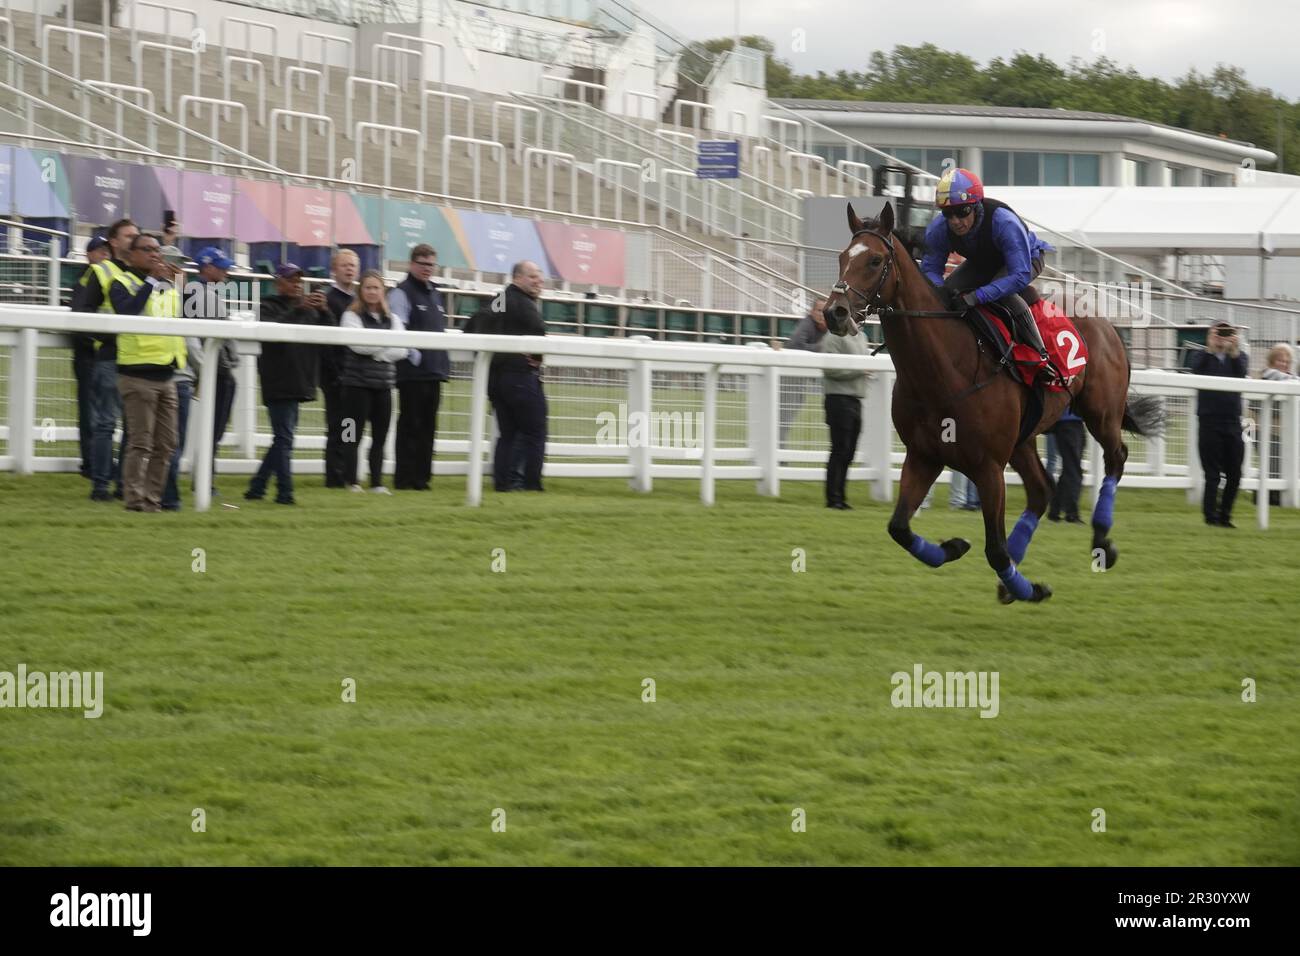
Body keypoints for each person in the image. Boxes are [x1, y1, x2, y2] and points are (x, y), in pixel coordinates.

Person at [921, 167, 1057, 375]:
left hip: (1025, 260)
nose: (955, 221)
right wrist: (939, 290)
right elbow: (930, 269)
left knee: (1004, 296)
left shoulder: (1004, 222)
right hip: (984, 261)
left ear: (975, 206)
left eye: (962, 212)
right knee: (948, 292)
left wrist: (978, 296)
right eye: (948, 213)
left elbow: (1018, 275)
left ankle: (1040, 353)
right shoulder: (939, 228)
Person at [109, 234, 186, 512]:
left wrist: (182, 288)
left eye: (157, 250)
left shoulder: (166, 285)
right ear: (131, 254)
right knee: (141, 443)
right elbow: (128, 311)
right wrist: (152, 281)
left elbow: (187, 318)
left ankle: (152, 501)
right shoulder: (121, 282)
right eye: (148, 250)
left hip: (167, 376)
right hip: (136, 374)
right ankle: (134, 500)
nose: (155, 254)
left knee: (167, 444)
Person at [244, 264, 333, 505]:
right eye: (290, 280)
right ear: (278, 283)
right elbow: (272, 332)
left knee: (283, 439)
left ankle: (257, 487)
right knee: (284, 439)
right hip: (278, 381)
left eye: (298, 280)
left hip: (300, 381)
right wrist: (299, 309)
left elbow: (331, 335)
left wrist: (324, 311)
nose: (296, 284)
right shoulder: (267, 306)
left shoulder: (307, 308)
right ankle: (285, 492)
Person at [76, 218, 138, 501]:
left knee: (132, 427)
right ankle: (100, 486)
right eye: (128, 236)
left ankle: (123, 485)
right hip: (110, 357)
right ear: (113, 241)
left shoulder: (140, 272)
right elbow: (83, 314)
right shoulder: (100, 272)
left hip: (137, 358)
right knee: (106, 424)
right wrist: (107, 338)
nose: (133, 240)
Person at [338, 270, 408, 493]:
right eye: (367, 287)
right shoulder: (351, 316)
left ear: (382, 291)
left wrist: (376, 351)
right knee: (351, 436)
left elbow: (401, 350)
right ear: (361, 291)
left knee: (380, 437)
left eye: (376, 287)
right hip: (355, 386)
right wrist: (385, 346)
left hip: (383, 387)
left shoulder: (393, 319)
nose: (372, 291)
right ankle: (352, 481)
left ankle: (377, 482)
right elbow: (358, 345)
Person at [388, 244, 450, 490]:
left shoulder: (435, 292)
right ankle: (405, 478)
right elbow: (397, 328)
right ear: (412, 264)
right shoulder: (401, 293)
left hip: (434, 372)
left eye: (431, 264)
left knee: (428, 427)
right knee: (410, 426)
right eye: (423, 264)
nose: (427, 269)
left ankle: (422, 479)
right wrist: (414, 356)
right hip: (412, 373)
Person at [487, 261, 548, 492]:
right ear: (518, 278)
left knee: (507, 434)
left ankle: (502, 483)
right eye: (533, 277)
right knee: (535, 431)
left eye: (539, 277)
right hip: (520, 376)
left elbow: (479, 322)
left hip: (497, 378)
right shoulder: (524, 303)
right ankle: (530, 484)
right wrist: (538, 357)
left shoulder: (499, 299)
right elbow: (539, 331)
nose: (538, 281)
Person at [1191, 322, 1248, 527]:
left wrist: (1233, 350)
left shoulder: (1239, 357)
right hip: (1208, 422)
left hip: (1232, 422)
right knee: (1212, 473)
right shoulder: (1201, 357)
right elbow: (1196, 370)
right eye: (1219, 333)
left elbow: (1241, 372)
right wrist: (1210, 348)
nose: (1222, 337)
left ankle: (1225, 516)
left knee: (1235, 473)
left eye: (1227, 334)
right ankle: (1210, 517)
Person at [70, 235, 111, 479]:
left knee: (99, 412)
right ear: (89, 254)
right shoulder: (88, 276)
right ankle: (91, 463)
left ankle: (96, 462)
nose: (104, 254)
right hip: (89, 354)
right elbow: (80, 318)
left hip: (98, 352)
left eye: (107, 250)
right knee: (90, 411)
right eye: (100, 250)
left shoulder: (101, 275)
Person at [819, 311, 869, 509]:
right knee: (839, 450)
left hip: (856, 399)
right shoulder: (833, 337)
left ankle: (841, 497)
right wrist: (859, 370)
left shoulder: (862, 337)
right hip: (838, 399)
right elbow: (830, 368)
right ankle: (833, 499)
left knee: (849, 452)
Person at [321, 250, 360, 487]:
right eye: (345, 265)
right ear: (334, 270)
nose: (349, 269)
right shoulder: (330, 299)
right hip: (335, 375)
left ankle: (346, 470)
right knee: (338, 425)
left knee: (350, 425)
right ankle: (334, 475)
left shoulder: (357, 301)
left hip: (353, 375)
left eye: (353, 265)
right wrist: (336, 373)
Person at [778, 298, 827, 447]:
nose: (822, 314)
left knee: (786, 417)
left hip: (800, 379)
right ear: (812, 311)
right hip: (790, 378)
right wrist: (820, 348)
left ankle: (780, 453)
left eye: (825, 312)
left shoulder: (824, 327)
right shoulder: (807, 325)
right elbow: (794, 346)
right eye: (819, 310)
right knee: (784, 418)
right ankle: (779, 455)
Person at [1257, 343, 1296, 507]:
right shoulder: (1267, 376)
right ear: (1272, 361)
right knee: (1273, 461)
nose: (1284, 364)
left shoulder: (1290, 381)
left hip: (1281, 433)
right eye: (1280, 360)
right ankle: (1269, 498)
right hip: (1259, 430)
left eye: (1287, 361)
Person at [1046, 406, 1085, 523]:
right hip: (1069, 423)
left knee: (1069, 470)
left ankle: (1055, 510)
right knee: (1074, 472)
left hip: (1071, 422)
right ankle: (1072, 513)